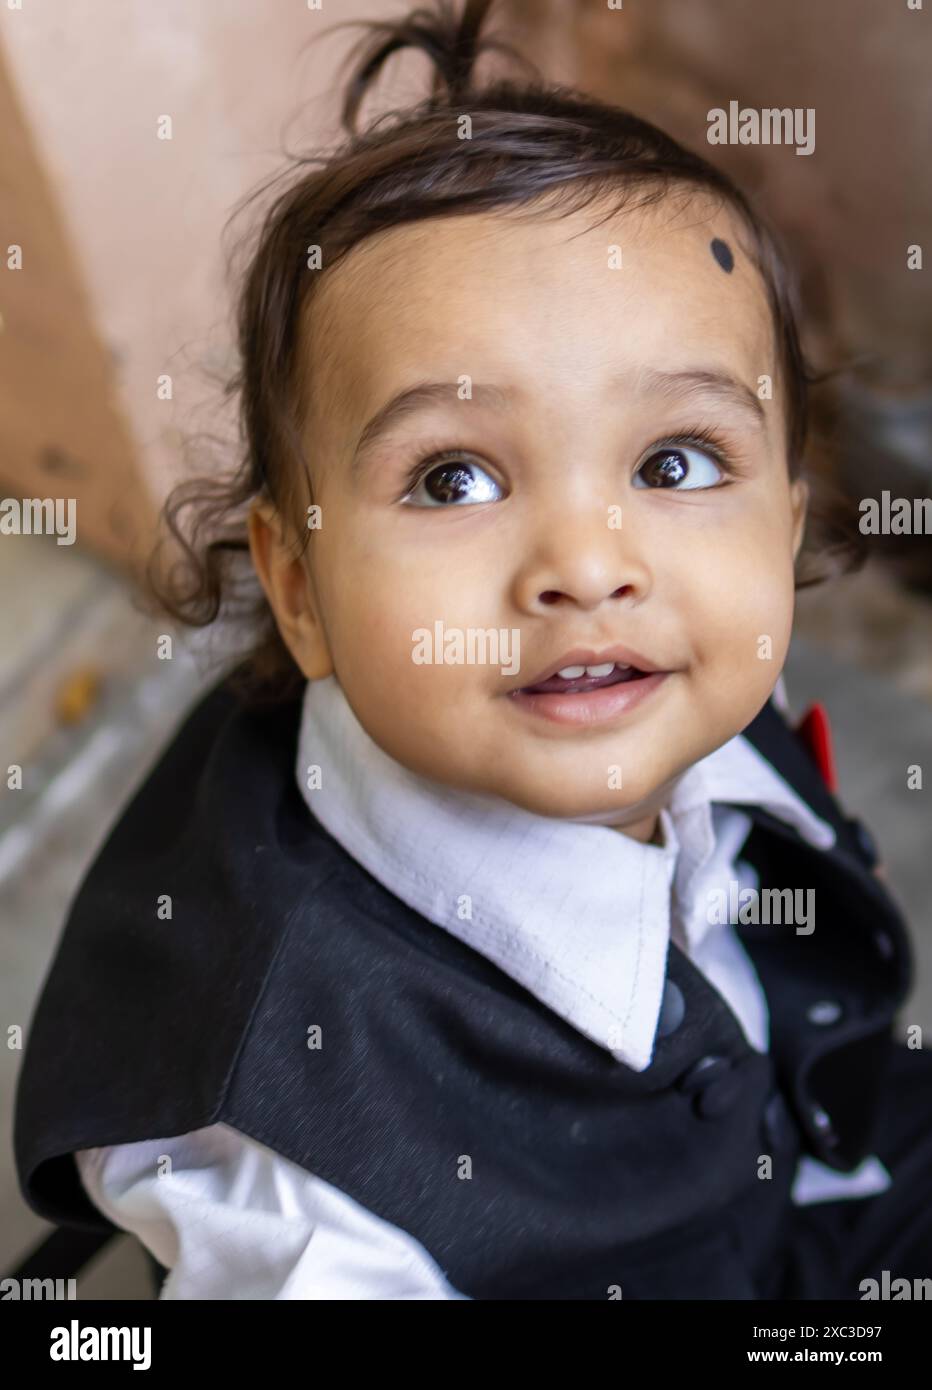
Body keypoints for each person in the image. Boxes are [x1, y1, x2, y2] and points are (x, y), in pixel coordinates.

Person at [13, 0, 930, 1300]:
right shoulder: (310, 1181)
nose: (588, 560)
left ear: (783, 525)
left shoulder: (649, 656)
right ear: (299, 586)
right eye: (453, 479)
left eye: (674, 460)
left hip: (817, 1158)